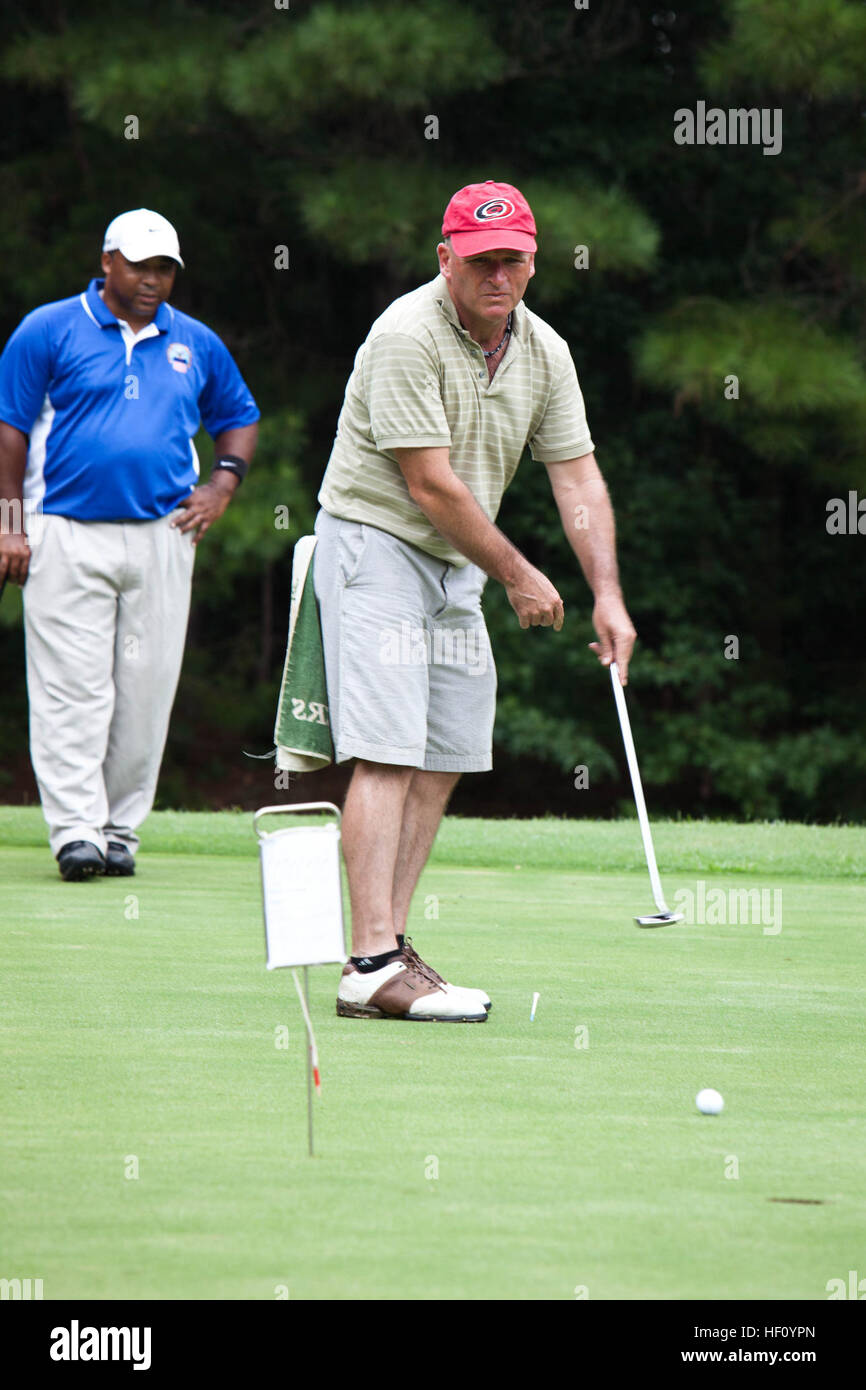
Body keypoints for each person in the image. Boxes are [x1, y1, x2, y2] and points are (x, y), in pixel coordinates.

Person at [313, 180, 637, 1022]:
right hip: (377, 545)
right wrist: (520, 574)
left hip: (456, 562)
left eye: (515, 260)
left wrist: (607, 594)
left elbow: (576, 477)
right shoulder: (404, 335)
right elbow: (430, 485)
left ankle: (392, 948)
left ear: (533, 261)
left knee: (448, 746)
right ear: (446, 257)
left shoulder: (545, 351)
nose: (499, 275)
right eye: (483, 259)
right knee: (386, 747)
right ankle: (369, 960)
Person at [0, 209, 259, 880]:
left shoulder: (193, 340)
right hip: (64, 528)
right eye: (141, 265)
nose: (153, 279)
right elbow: (11, 433)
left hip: (163, 534)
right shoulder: (48, 329)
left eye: (165, 268)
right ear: (108, 260)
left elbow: (238, 417)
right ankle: (76, 832)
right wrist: (10, 523)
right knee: (70, 690)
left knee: (145, 692)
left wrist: (222, 488)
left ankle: (120, 832)